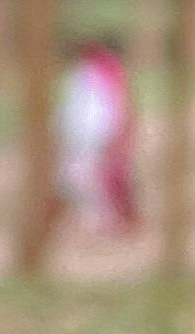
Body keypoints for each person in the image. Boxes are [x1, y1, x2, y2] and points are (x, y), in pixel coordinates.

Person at [57, 35, 138, 239]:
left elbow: (101, 106)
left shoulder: (95, 73)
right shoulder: (93, 72)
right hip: (87, 133)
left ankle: (104, 222)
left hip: (93, 133)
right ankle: (99, 221)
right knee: (79, 177)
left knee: (88, 176)